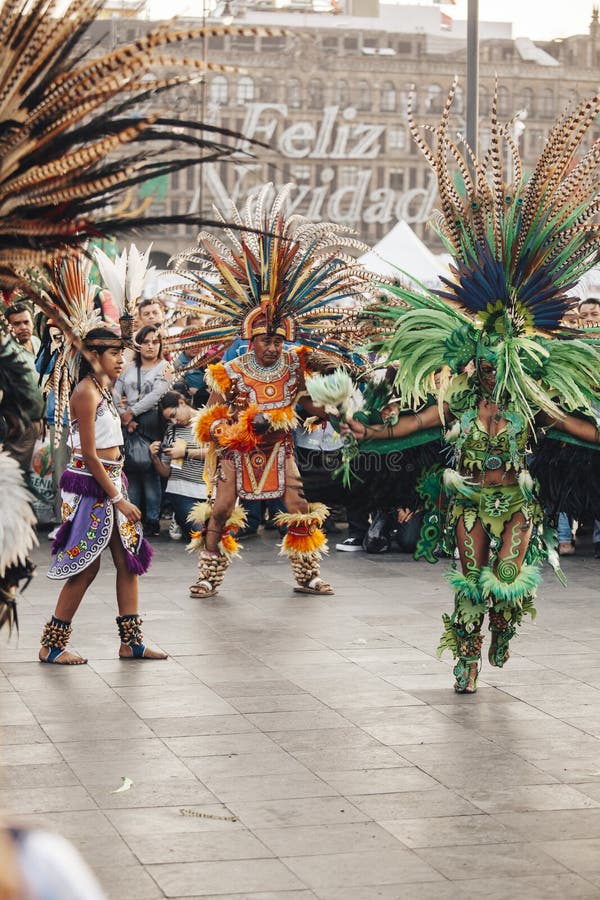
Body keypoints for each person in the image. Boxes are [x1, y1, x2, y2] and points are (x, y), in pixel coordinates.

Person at [347, 83, 600, 694]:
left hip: (516, 500)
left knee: (507, 580)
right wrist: (364, 428)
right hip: (466, 502)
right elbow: (405, 428)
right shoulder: (456, 402)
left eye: (496, 359)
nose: (488, 368)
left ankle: (505, 627)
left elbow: (581, 430)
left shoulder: (531, 402)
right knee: (468, 581)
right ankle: (465, 660)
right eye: (481, 360)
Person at [168, 182, 368, 598]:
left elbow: (307, 403)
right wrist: (238, 425)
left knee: (298, 506)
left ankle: (308, 575)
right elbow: (211, 417)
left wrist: (329, 407)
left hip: (281, 449)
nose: (274, 346)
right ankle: (206, 576)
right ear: (251, 337)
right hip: (238, 453)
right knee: (221, 509)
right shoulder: (230, 370)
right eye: (266, 339)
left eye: (279, 339)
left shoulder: (296, 363)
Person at [42, 324, 165, 664]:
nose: (121, 359)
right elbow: (91, 455)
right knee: (86, 568)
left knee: (128, 562)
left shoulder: (103, 389)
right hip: (92, 487)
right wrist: (119, 498)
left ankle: (132, 643)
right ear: (92, 356)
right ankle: (52, 644)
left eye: (121, 353)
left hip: (110, 481)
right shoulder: (86, 391)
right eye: (113, 353)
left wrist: (117, 491)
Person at [112, 324, 170, 536]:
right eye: (145, 342)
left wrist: (132, 411)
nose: (150, 346)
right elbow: (115, 392)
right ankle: (133, 518)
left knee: (151, 471)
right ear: (138, 344)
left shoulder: (165, 367)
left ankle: (152, 519)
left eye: (155, 342)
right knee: (132, 471)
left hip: (150, 422)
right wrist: (123, 415)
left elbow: (157, 394)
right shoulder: (128, 367)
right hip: (127, 424)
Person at [150, 391, 206, 542]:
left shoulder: (207, 420)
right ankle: (180, 515)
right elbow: (167, 472)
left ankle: (180, 517)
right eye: (170, 419)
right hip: (181, 489)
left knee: (218, 533)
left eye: (174, 415)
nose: (174, 421)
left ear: (182, 402)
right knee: (198, 534)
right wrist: (154, 458)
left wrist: (185, 452)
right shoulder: (172, 431)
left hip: (208, 490)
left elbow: (217, 454)